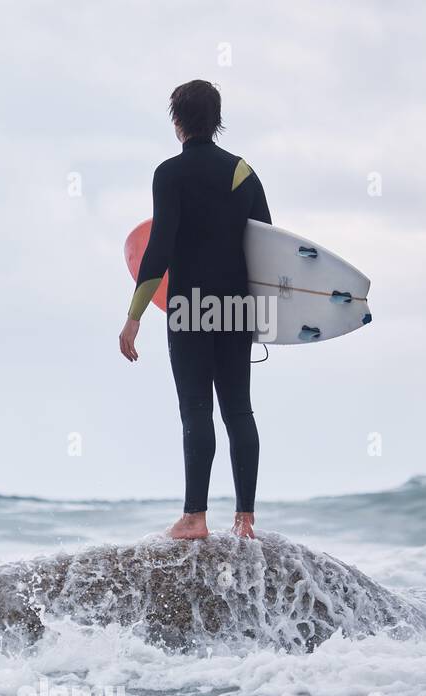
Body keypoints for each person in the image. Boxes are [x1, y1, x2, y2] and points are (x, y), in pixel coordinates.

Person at [119, 80, 271, 540]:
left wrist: (134, 316)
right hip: (236, 308)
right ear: (217, 119)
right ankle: (245, 520)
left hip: (188, 307)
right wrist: (266, 317)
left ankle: (195, 518)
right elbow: (267, 246)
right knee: (239, 412)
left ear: (177, 121)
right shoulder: (243, 172)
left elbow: (159, 249)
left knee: (196, 412)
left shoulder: (169, 174)